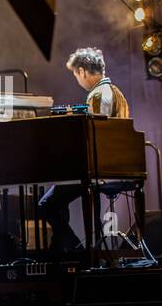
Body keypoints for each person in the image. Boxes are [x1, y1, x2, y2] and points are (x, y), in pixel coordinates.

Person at [38, 47, 132, 253]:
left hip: (101, 169)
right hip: (118, 165)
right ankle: (62, 249)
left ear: (82, 71)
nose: (78, 81)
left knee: (46, 204)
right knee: (58, 196)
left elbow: (97, 136)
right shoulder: (116, 92)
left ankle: (75, 250)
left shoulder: (99, 95)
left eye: (76, 75)